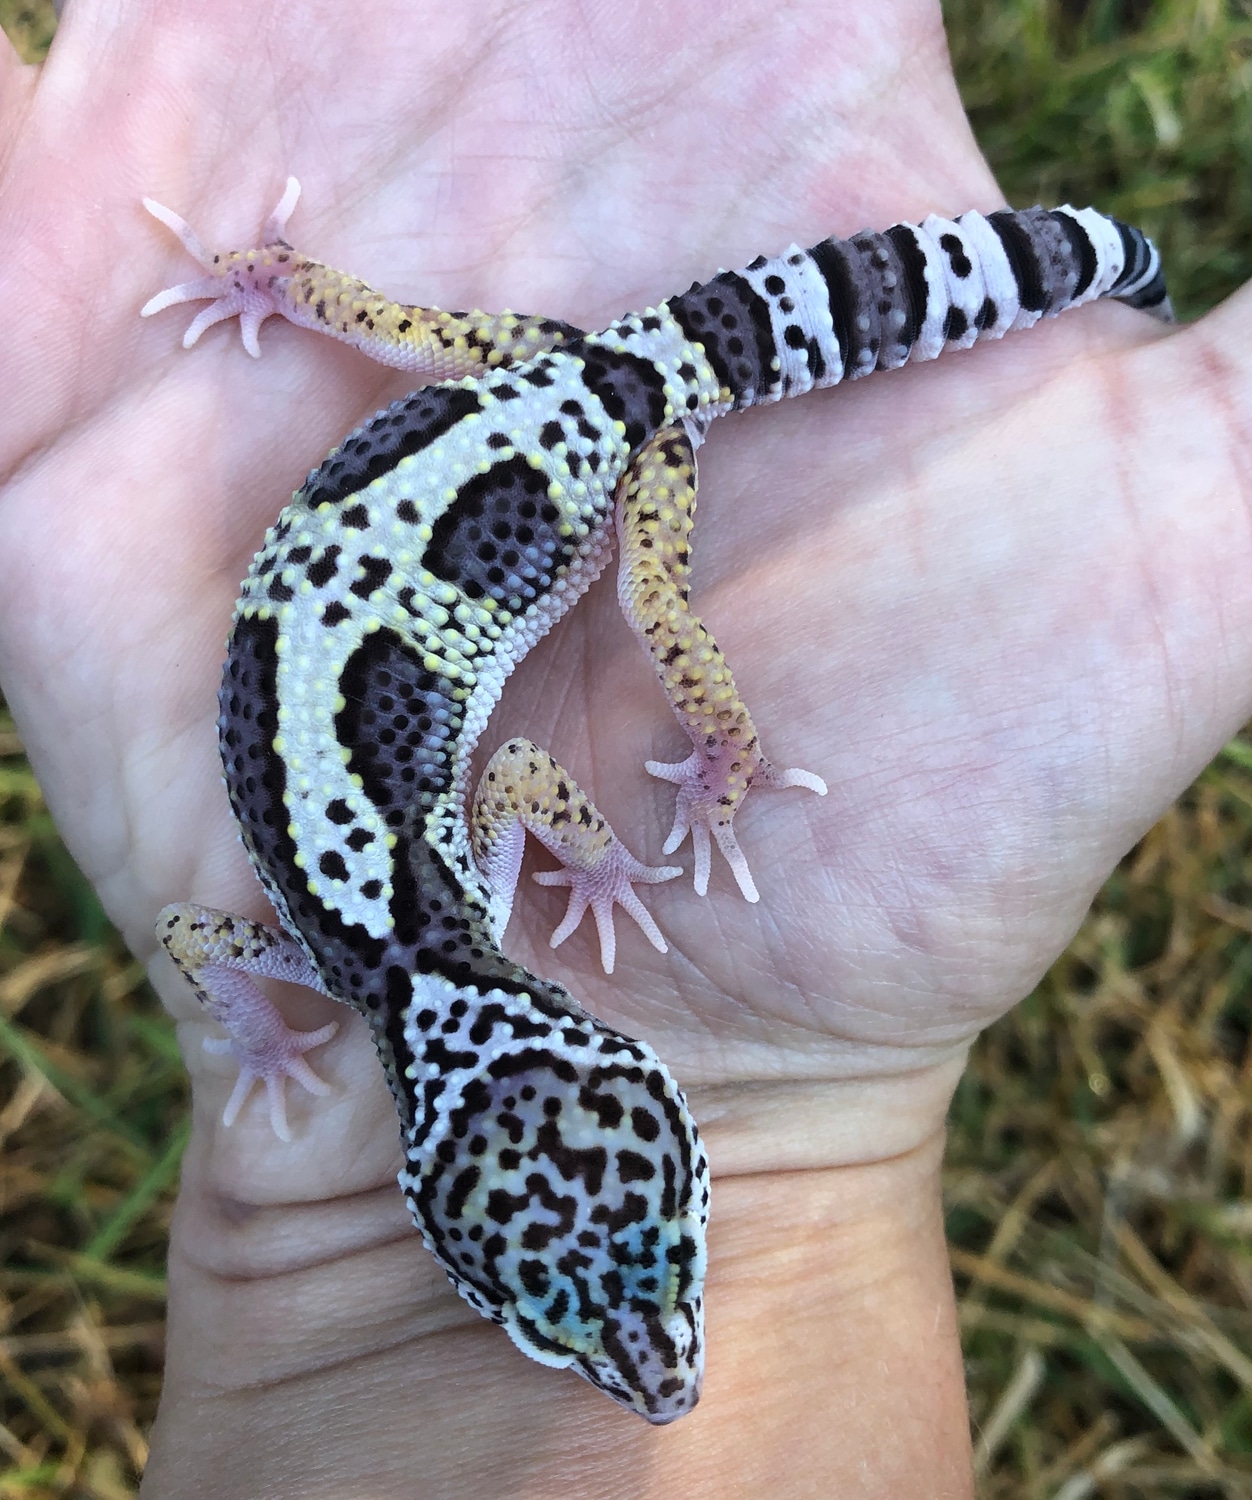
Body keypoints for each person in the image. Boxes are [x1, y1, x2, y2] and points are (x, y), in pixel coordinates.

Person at [1, 2, 1247, 1494]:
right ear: (620, 1073)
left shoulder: (433, 902)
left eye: (557, 1312)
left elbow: (522, 783)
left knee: (660, 605)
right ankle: (1098, 264)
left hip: (594, 444)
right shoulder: (337, 948)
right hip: (505, 403)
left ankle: (1094, 274)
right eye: (673, 1256)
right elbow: (219, 937)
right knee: (451, 361)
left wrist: (621, 831)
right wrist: (264, 1022)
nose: (659, 1375)